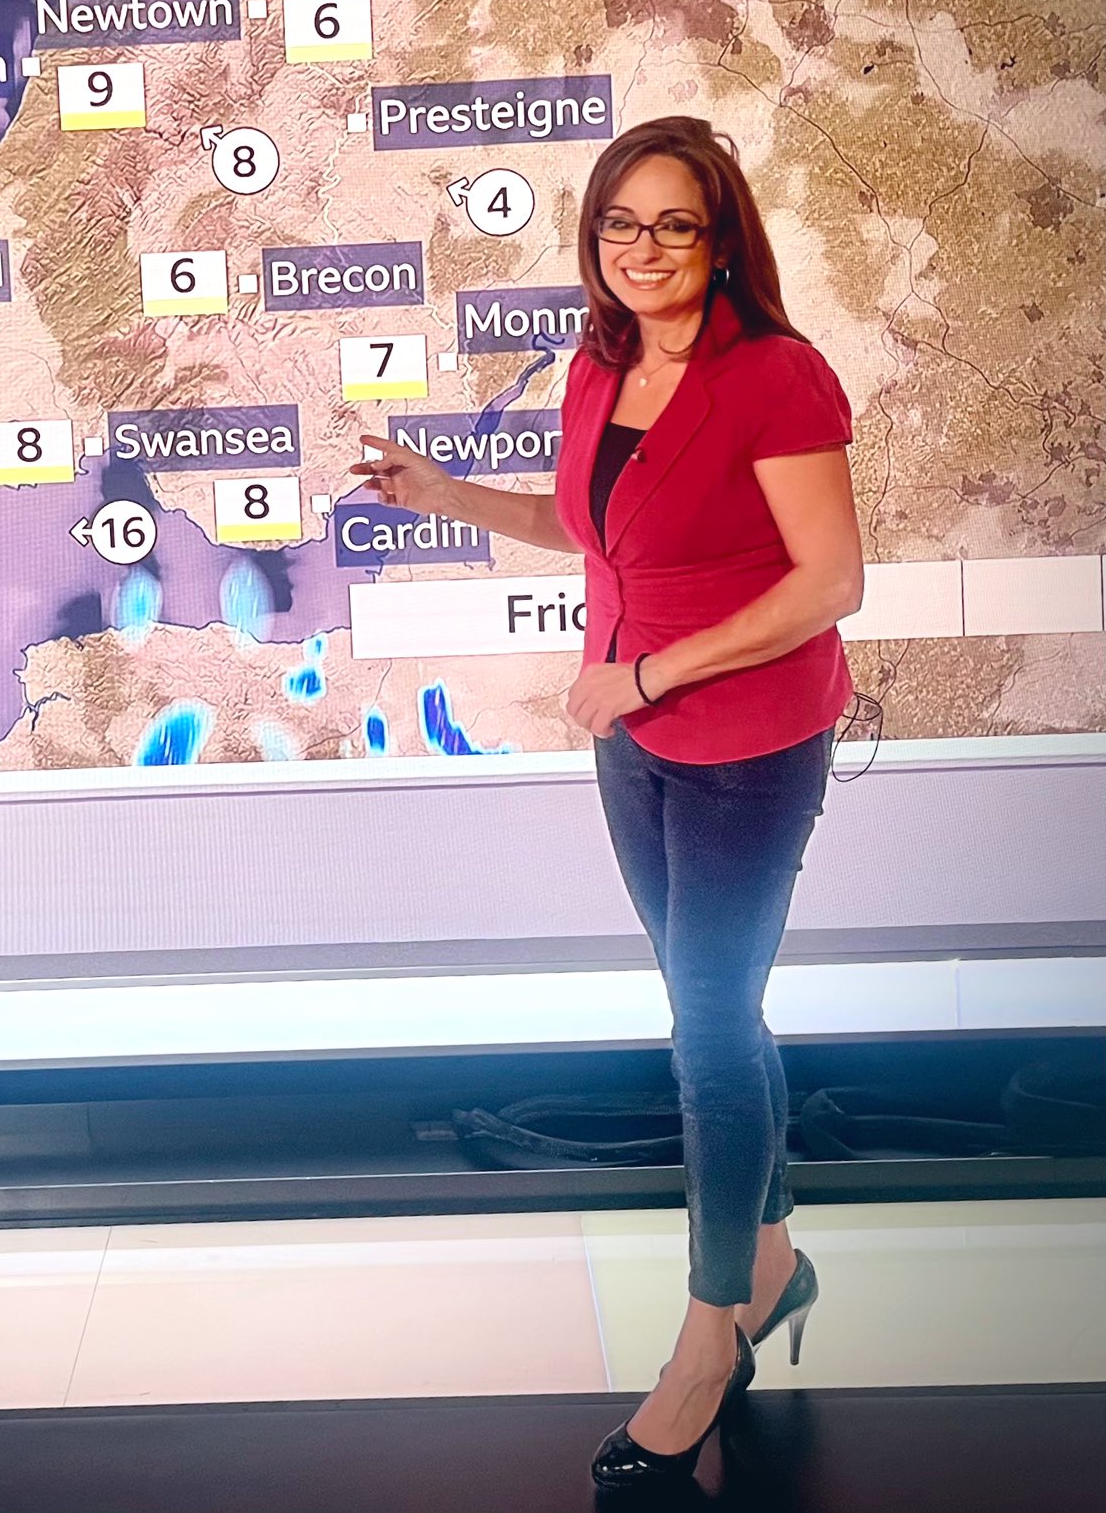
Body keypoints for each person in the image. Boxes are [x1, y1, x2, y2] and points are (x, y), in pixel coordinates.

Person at [355, 116, 862, 1487]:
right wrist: (441, 492)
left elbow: (827, 580)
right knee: (716, 1011)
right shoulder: (602, 360)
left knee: (708, 1029)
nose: (642, 248)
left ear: (720, 239)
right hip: (632, 738)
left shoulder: (774, 377)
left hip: (747, 745)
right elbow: (587, 526)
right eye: (619, 223)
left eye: (673, 224)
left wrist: (645, 674)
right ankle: (773, 1260)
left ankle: (707, 1338)